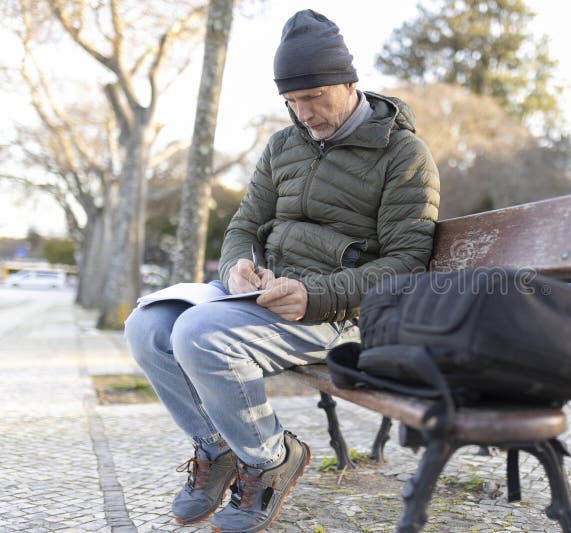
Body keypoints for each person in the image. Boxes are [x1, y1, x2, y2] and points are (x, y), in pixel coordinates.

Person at [124, 9, 439, 532]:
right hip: (266, 298)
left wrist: (316, 296)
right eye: (292, 101)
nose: (304, 112)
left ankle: (270, 459)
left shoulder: (402, 154)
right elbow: (243, 226)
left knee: (199, 335)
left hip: (344, 312)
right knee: (147, 326)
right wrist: (235, 268)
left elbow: (407, 266)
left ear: (349, 83)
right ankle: (218, 448)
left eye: (315, 97)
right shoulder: (282, 146)